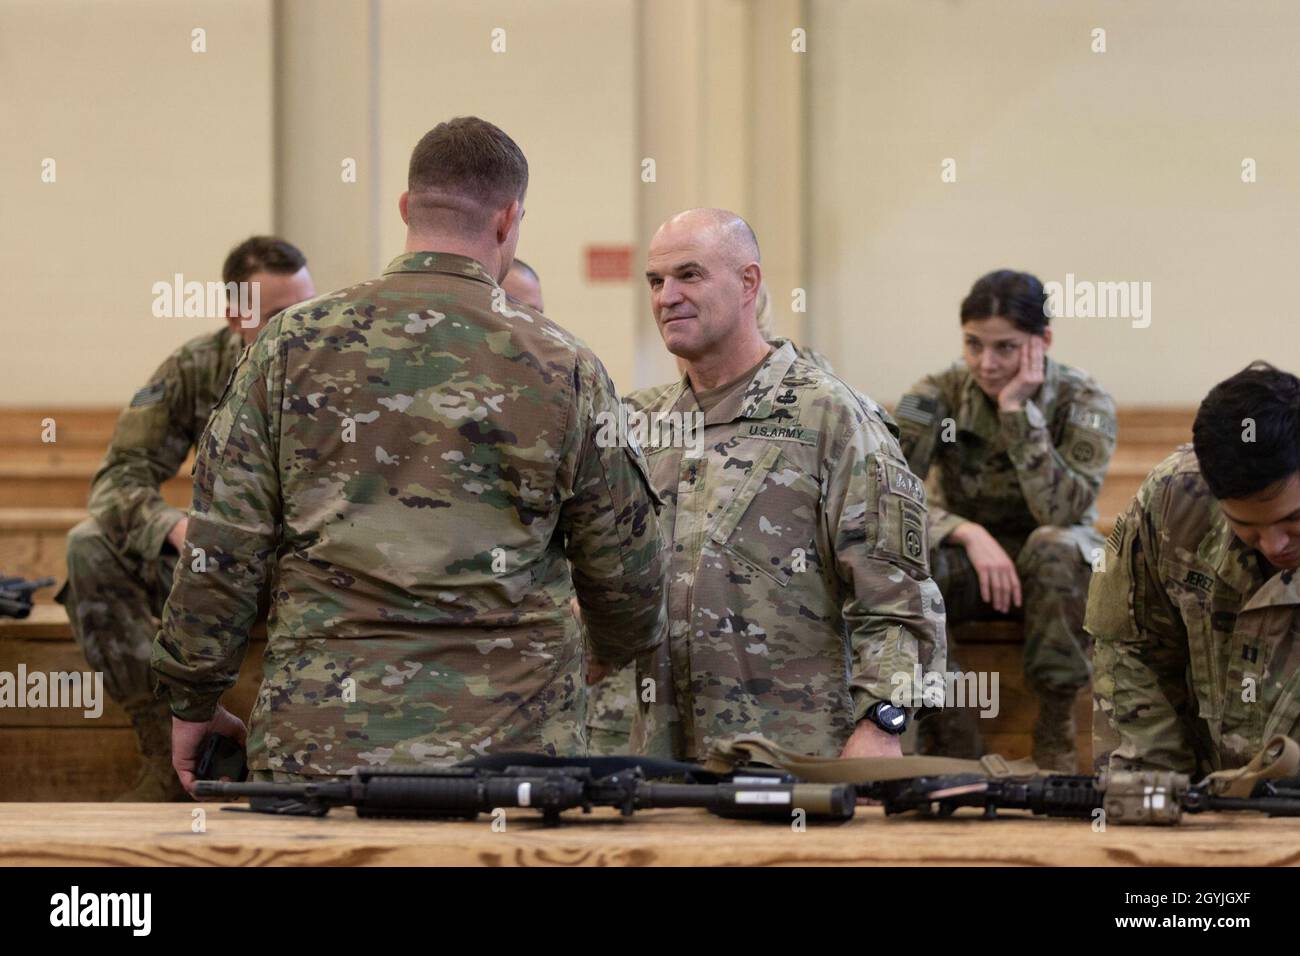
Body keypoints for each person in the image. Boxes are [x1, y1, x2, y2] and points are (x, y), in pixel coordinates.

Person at [150, 116, 667, 792]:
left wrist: (193, 697)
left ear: (406, 208)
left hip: (325, 743)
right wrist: (605, 653)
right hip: (512, 748)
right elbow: (626, 577)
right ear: (509, 218)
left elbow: (224, 549)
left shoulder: (287, 346)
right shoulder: (565, 365)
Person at [605, 207, 944, 761]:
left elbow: (898, 599)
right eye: (655, 280)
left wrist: (884, 723)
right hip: (658, 763)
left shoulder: (831, 416)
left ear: (748, 283)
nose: (667, 296)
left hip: (795, 758)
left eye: (689, 275)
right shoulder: (639, 425)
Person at [58, 236, 314, 801]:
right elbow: (118, 479)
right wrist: (172, 528)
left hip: (310, 569)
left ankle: (296, 767)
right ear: (235, 315)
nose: (297, 328)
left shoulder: (332, 368)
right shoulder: (197, 369)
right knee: (89, 547)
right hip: (223, 565)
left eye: (306, 310)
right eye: (278, 316)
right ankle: (167, 752)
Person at [894, 270, 1116, 770]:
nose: (986, 364)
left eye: (1005, 348)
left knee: (1056, 545)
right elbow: (891, 497)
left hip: (1057, 570)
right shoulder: (933, 394)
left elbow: (1061, 511)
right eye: (974, 345)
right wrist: (965, 531)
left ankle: (1056, 733)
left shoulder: (1085, 400)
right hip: (970, 561)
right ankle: (947, 731)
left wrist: (1018, 413)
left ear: (1043, 343)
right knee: (903, 560)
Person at [1089, 362, 1300, 774]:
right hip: (1203, 791)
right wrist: (1155, 784)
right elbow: (1130, 648)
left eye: (1293, 520)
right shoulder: (1175, 499)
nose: (1275, 545)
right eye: (1247, 527)